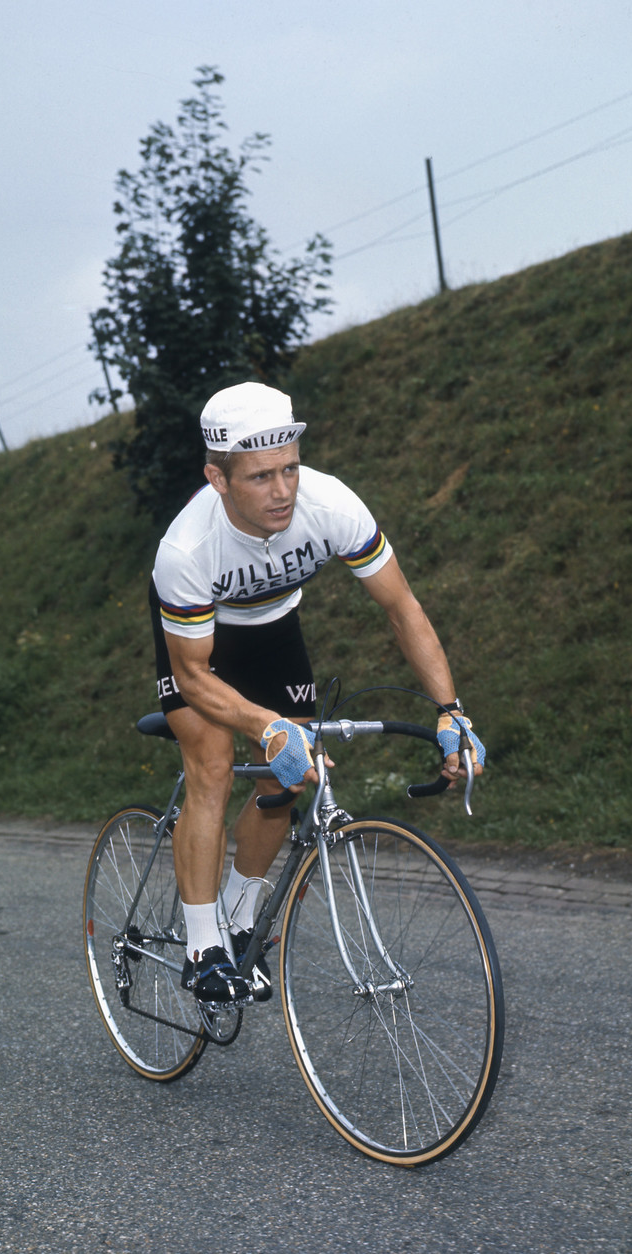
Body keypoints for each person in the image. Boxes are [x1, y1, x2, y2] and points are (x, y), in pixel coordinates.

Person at [150, 381, 485, 1005]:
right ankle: (202, 948)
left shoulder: (330, 505)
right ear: (218, 480)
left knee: (289, 776)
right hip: (201, 643)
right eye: (259, 478)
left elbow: (402, 606)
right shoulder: (187, 549)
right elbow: (194, 676)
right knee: (215, 765)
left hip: (274, 628)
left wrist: (450, 708)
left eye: (290, 470)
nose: (282, 492)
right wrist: (265, 725)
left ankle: (240, 914)